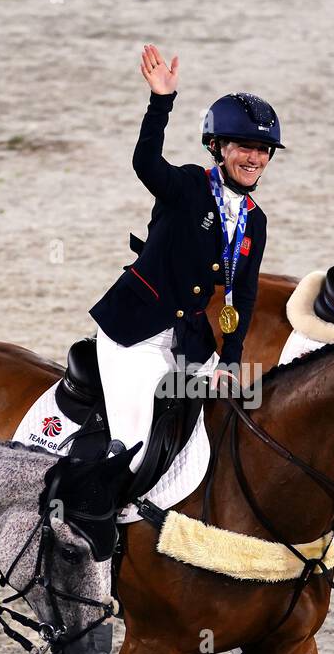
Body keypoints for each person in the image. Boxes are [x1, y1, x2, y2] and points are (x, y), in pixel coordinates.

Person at [89, 45, 280, 473]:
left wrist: (230, 359)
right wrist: (161, 101)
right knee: (132, 452)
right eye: (246, 146)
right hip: (134, 334)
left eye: (265, 149)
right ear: (216, 146)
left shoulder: (255, 220)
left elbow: (243, 295)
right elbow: (145, 162)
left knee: (235, 423)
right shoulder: (189, 186)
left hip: (189, 342)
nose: (256, 158)